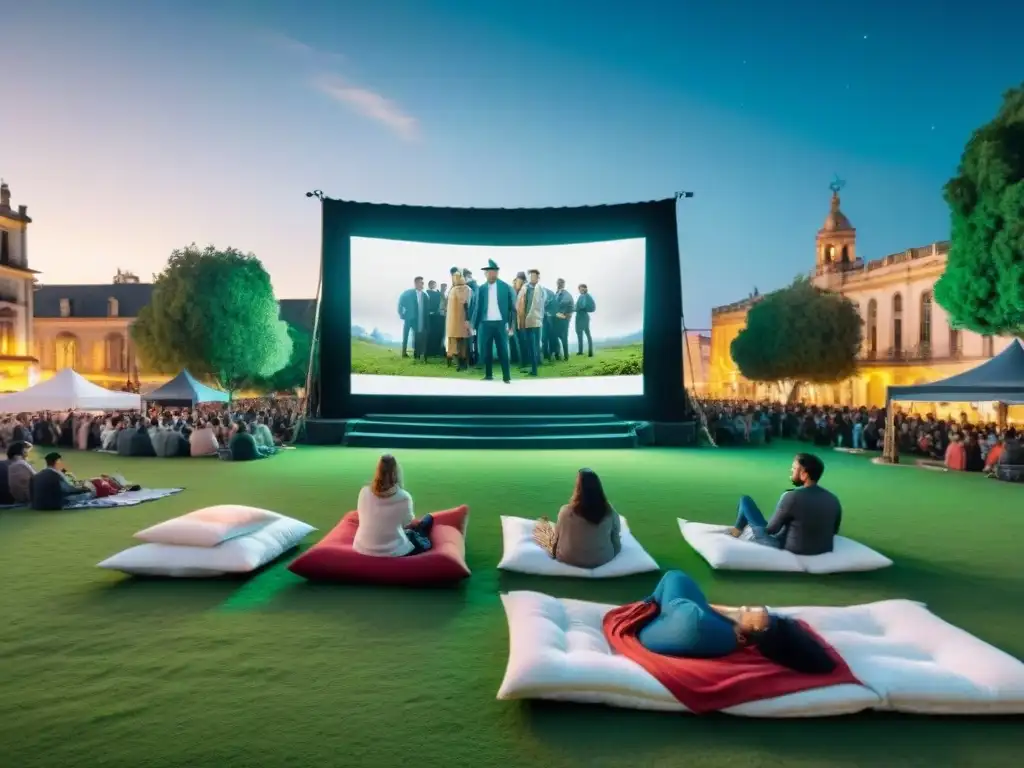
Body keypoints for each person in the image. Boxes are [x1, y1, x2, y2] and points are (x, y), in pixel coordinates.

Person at [635, 571, 838, 674]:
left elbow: (674, 578)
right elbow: (712, 611)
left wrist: (722, 609)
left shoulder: (701, 620)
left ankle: (647, 605)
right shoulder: (730, 642)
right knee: (697, 605)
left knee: (675, 575)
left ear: (742, 636)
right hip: (656, 635)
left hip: (675, 625)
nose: (742, 608)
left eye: (746, 611)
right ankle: (653, 606)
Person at [726, 453, 841, 556]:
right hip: (823, 549)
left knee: (745, 500)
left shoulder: (792, 496)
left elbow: (771, 530)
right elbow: (834, 531)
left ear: (804, 474)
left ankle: (736, 530)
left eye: (794, 468)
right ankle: (737, 530)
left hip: (788, 548)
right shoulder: (834, 499)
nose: (791, 470)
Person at [532, 468, 622, 569]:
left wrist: (554, 552)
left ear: (578, 488)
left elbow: (557, 538)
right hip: (603, 559)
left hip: (567, 558)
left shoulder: (565, 511)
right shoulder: (609, 511)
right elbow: (615, 536)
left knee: (547, 530)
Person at [353, 454, 434, 557]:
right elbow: (407, 524)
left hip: (362, 546)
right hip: (392, 549)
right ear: (397, 472)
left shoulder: (364, 491)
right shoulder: (404, 497)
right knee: (427, 522)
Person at [469, 259, 516, 384]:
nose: (490, 275)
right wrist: (473, 324)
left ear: (497, 273)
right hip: (485, 324)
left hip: (500, 324)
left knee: (503, 350)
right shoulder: (482, 288)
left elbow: (512, 309)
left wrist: (511, 326)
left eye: (493, 272)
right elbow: (477, 307)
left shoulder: (505, 287)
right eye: (488, 273)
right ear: (485, 274)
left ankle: (506, 376)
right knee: (486, 350)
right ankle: (488, 374)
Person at [516, 268, 545, 377]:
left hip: (536, 321)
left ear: (538, 278)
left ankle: (535, 369)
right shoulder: (524, 288)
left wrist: (540, 317)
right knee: (530, 345)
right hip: (526, 321)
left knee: (535, 346)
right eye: (531, 276)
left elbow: (542, 305)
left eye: (535, 276)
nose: (533, 278)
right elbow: (519, 304)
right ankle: (533, 368)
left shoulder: (540, 289)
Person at [445, 268, 473, 371]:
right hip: (455, 321)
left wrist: (467, 318)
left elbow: (466, 304)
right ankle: (461, 364)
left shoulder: (463, 289)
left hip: (459, 321)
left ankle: (462, 364)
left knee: (460, 343)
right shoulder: (456, 289)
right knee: (460, 343)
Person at [397, 276, 427, 359]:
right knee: (405, 335)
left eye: (423, 283)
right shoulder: (408, 293)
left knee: (417, 335)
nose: (422, 284)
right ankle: (404, 353)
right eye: (421, 282)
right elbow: (400, 303)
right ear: (416, 283)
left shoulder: (424, 295)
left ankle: (416, 353)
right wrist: (401, 314)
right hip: (408, 318)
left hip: (417, 320)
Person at [574, 283, 596, 357]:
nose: (580, 290)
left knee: (580, 334)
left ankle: (581, 351)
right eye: (579, 289)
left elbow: (581, 306)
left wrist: (575, 308)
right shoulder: (585, 296)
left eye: (581, 289)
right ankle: (590, 352)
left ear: (585, 289)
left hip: (581, 317)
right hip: (585, 317)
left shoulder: (584, 296)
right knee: (587, 334)